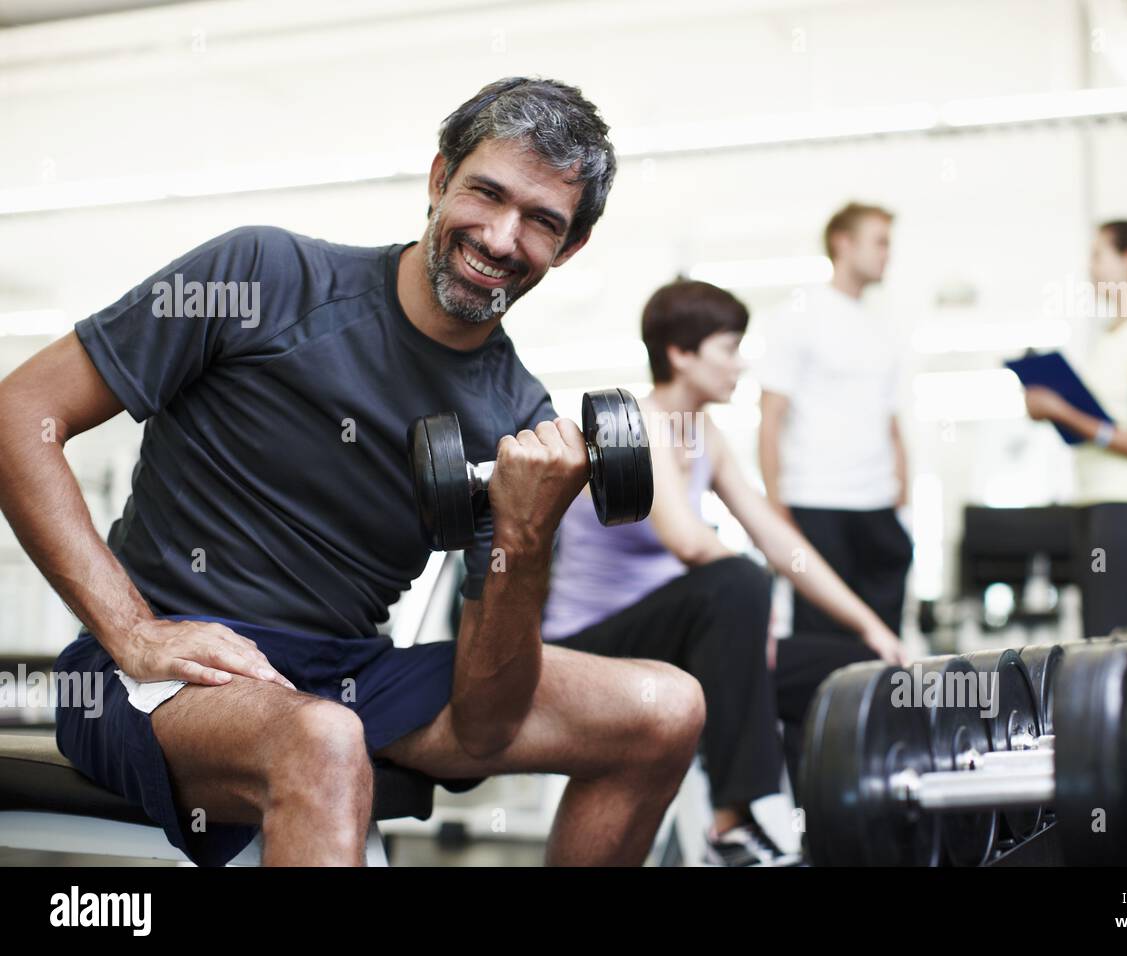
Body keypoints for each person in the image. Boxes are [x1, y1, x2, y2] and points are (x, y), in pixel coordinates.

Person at [0, 77, 707, 867]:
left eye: (542, 221)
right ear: (439, 179)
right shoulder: (260, 276)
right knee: (324, 741)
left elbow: (484, 726)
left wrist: (526, 536)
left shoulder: (519, 412)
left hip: (345, 671)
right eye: (487, 193)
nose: (503, 239)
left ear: (568, 248)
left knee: (665, 708)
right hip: (161, 669)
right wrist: (131, 632)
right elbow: (19, 414)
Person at [541, 279, 908, 866]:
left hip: (682, 642)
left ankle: (834, 832)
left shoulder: (705, 435)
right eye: (729, 348)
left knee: (847, 673)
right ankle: (733, 823)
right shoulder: (635, 425)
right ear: (681, 354)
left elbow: (778, 540)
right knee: (738, 582)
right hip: (591, 647)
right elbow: (688, 542)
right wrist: (752, 605)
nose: (741, 364)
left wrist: (871, 628)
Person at [757, 202, 913, 640]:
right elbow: (770, 418)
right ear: (844, 244)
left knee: (883, 639)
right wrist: (776, 510)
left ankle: (884, 711)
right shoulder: (799, 317)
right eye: (880, 242)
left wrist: (903, 491)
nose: (888, 254)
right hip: (817, 501)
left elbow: (892, 420)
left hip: (878, 507)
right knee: (824, 641)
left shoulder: (884, 327)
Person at [1023, 220, 1127, 638]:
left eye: (1098, 254)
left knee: (1113, 636)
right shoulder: (1110, 337)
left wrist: (1064, 410)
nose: (1090, 267)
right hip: (1092, 501)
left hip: (1125, 506)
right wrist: (1052, 410)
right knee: (1096, 631)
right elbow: (1095, 425)